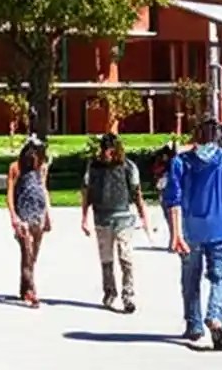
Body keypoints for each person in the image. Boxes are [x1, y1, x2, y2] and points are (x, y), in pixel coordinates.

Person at [164, 118, 222, 352]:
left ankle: (194, 324)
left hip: (190, 231)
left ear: (195, 136)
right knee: (220, 277)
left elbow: (173, 201)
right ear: (220, 137)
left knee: (190, 279)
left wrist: (175, 234)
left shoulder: (180, 163)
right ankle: (215, 315)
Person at [81, 134, 150, 313]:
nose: (106, 154)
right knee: (106, 258)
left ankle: (128, 295)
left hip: (123, 218)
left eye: (109, 150)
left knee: (125, 255)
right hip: (101, 217)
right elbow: (86, 192)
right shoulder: (94, 167)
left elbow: (136, 193)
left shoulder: (128, 167)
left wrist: (144, 216)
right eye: (104, 149)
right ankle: (110, 291)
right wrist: (84, 217)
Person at [6, 138, 52, 307]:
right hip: (23, 216)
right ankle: (32, 291)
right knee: (27, 253)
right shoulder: (15, 168)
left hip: (38, 216)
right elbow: (10, 194)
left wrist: (48, 215)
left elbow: (44, 190)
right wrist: (14, 217)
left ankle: (24, 287)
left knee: (32, 256)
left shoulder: (42, 169)